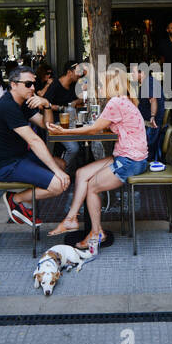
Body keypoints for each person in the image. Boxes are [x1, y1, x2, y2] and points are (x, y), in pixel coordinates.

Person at [45, 67, 148, 252]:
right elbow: (103, 127)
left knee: (92, 186)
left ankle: (95, 232)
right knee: (81, 172)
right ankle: (71, 219)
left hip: (130, 161)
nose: (99, 86)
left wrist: (65, 131)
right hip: (131, 156)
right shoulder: (126, 100)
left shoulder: (116, 102)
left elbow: (94, 130)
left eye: (102, 82)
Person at [0, 66, 70, 226]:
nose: (33, 88)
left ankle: (24, 200)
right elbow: (34, 141)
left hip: (19, 158)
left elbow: (45, 124)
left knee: (61, 164)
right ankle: (15, 199)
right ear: (14, 85)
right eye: (28, 84)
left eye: (34, 84)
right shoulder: (7, 106)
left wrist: (47, 104)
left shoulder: (23, 103)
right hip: (4, 166)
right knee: (58, 185)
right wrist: (56, 173)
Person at [43, 61, 87, 168]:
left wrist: (75, 102)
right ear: (69, 72)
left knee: (82, 141)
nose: (80, 74)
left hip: (71, 121)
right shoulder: (56, 85)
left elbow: (81, 99)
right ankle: (63, 170)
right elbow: (44, 104)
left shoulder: (73, 85)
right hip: (57, 122)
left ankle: (69, 168)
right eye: (78, 71)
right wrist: (61, 107)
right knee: (74, 148)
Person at [133, 64, 163, 160]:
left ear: (142, 73)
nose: (132, 74)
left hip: (151, 123)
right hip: (148, 122)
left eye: (134, 72)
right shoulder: (148, 82)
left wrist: (152, 116)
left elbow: (153, 100)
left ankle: (145, 165)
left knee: (147, 149)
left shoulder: (148, 83)